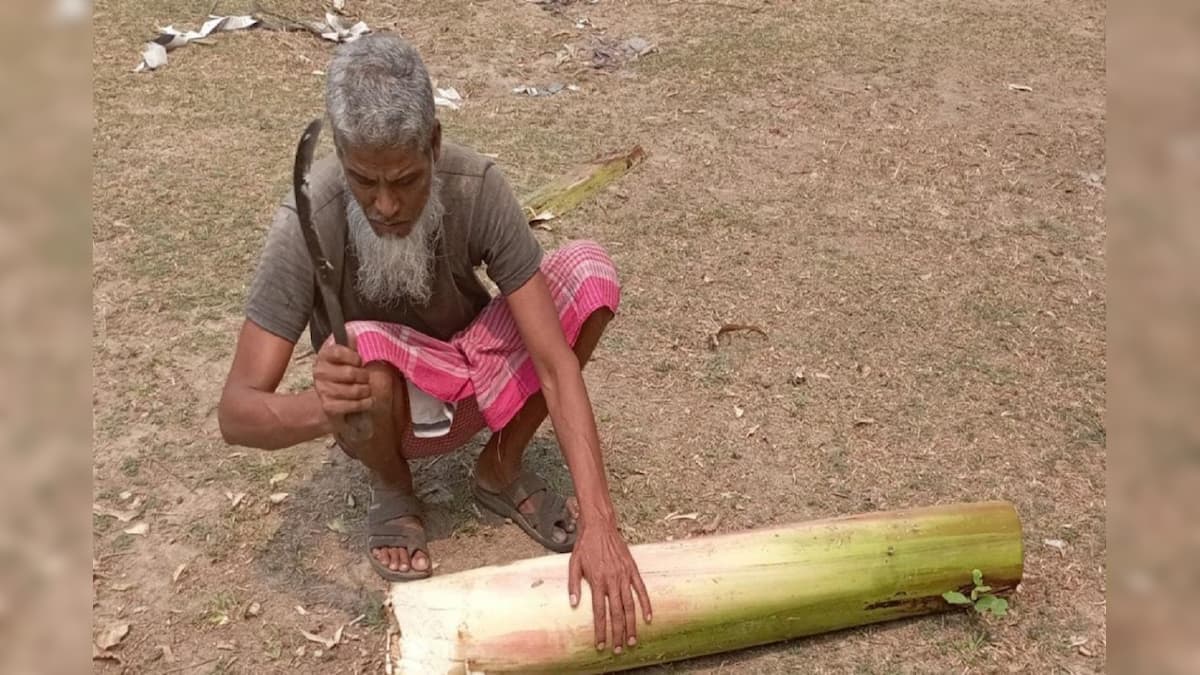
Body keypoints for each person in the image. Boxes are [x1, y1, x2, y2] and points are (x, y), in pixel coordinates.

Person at [216, 32, 651, 653]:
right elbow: (236, 414)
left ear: (435, 144)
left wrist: (601, 524)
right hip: (381, 412)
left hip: (472, 374)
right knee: (367, 355)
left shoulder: (476, 186)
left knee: (587, 271)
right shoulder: (308, 218)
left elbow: (554, 363)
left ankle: (499, 469)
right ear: (340, 153)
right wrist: (323, 409)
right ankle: (394, 493)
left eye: (406, 179)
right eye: (365, 181)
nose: (386, 205)